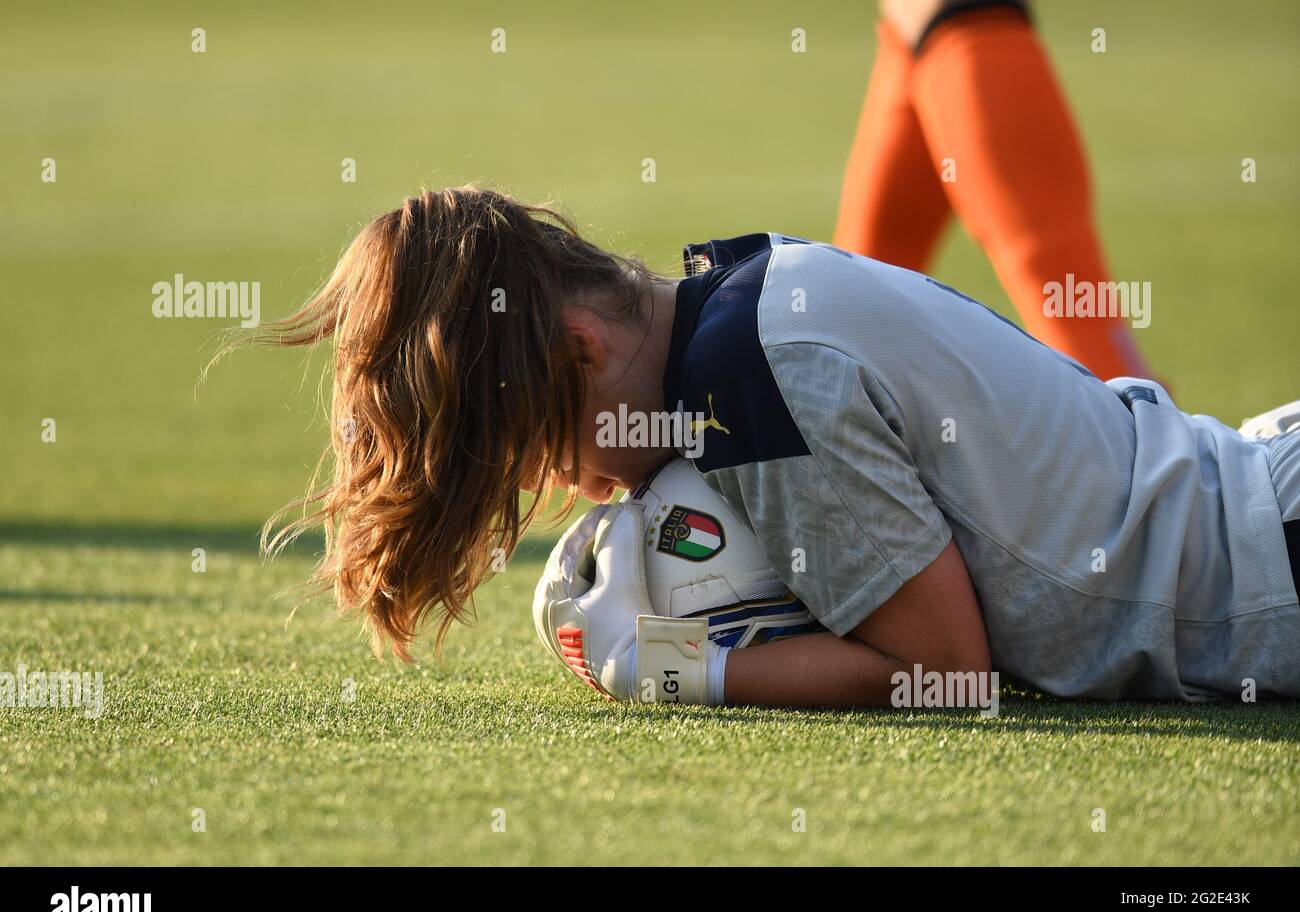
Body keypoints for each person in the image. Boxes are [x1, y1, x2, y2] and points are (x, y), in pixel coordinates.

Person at [260, 187, 1300, 706]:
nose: (554, 484)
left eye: (534, 447)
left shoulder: (743, 385)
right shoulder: (738, 299)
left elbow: (946, 668)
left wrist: (675, 662)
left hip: (1269, 565)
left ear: (581, 348)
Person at [834, 0, 1155, 382]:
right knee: (851, 313)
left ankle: (1145, 428)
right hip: (922, 48)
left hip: (962, 39)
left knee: (1060, 289)